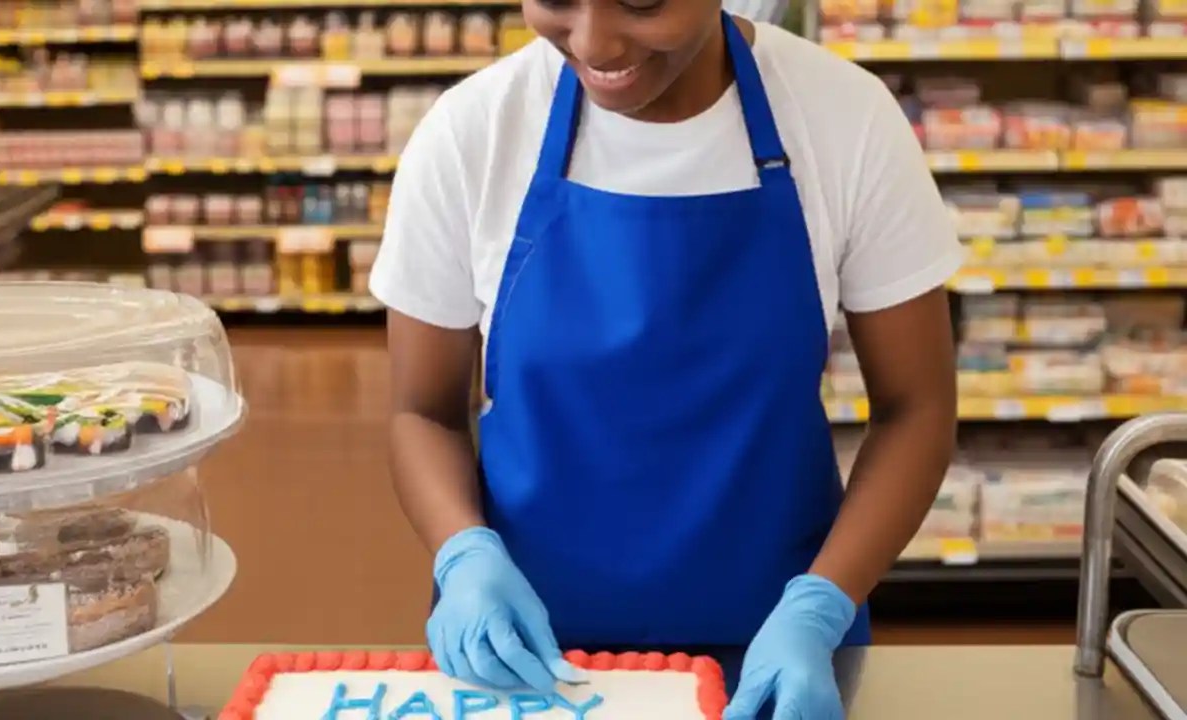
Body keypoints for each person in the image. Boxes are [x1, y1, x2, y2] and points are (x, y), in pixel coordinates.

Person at [369, 0, 960, 716]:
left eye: (641, 2)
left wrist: (821, 605)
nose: (593, 41)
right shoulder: (474, 133)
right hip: (528, 656)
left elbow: (916, 408)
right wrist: (464, 556)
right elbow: (422, 411)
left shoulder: (844, 120)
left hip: (773, 647)